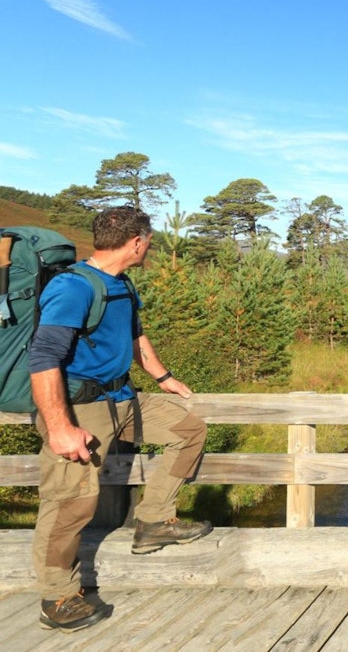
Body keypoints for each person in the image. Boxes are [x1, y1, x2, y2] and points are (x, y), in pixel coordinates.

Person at [29, 206, 211, 632]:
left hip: (123, 398)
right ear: (136, 242)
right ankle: (57, 597)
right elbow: (44, 356)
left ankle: (153, 521)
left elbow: (134, 334)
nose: (149, 248)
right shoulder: (73, 287)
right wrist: (60, 427)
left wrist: (163, 377)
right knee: (71, 504)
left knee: (188, 430)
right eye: (149, 242)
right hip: (82, 409)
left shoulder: (122, 283)